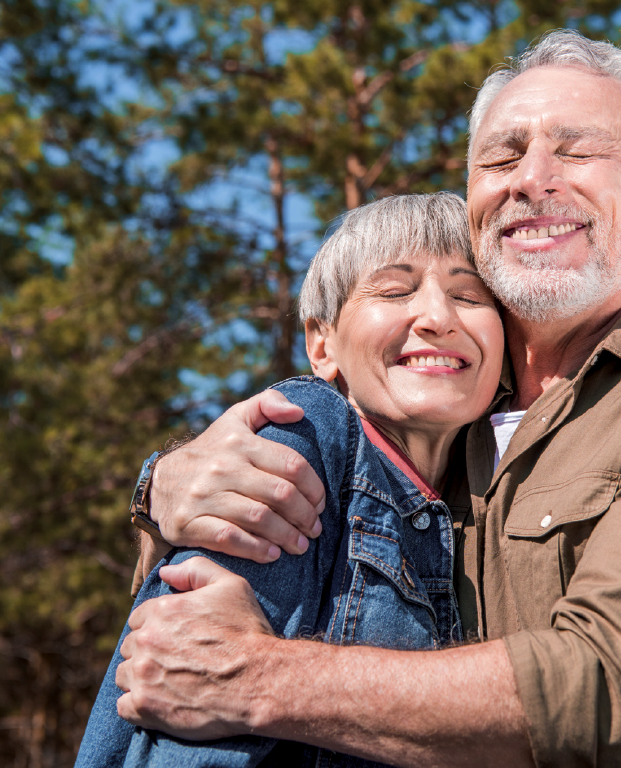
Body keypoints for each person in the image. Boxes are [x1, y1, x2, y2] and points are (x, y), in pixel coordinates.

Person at [111, 30, 621, 767]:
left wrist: (260, 678)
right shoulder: (436, 423)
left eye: (579, 150)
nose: (533, 178)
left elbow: (612, 695)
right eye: (501, 156)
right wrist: (161, 485)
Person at [75, 192, 504, 767]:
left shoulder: (482, 501)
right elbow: (191, 716)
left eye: (469, 294)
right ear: (322, 344)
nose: (438, 316)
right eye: (395, 290)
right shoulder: (303, 436)